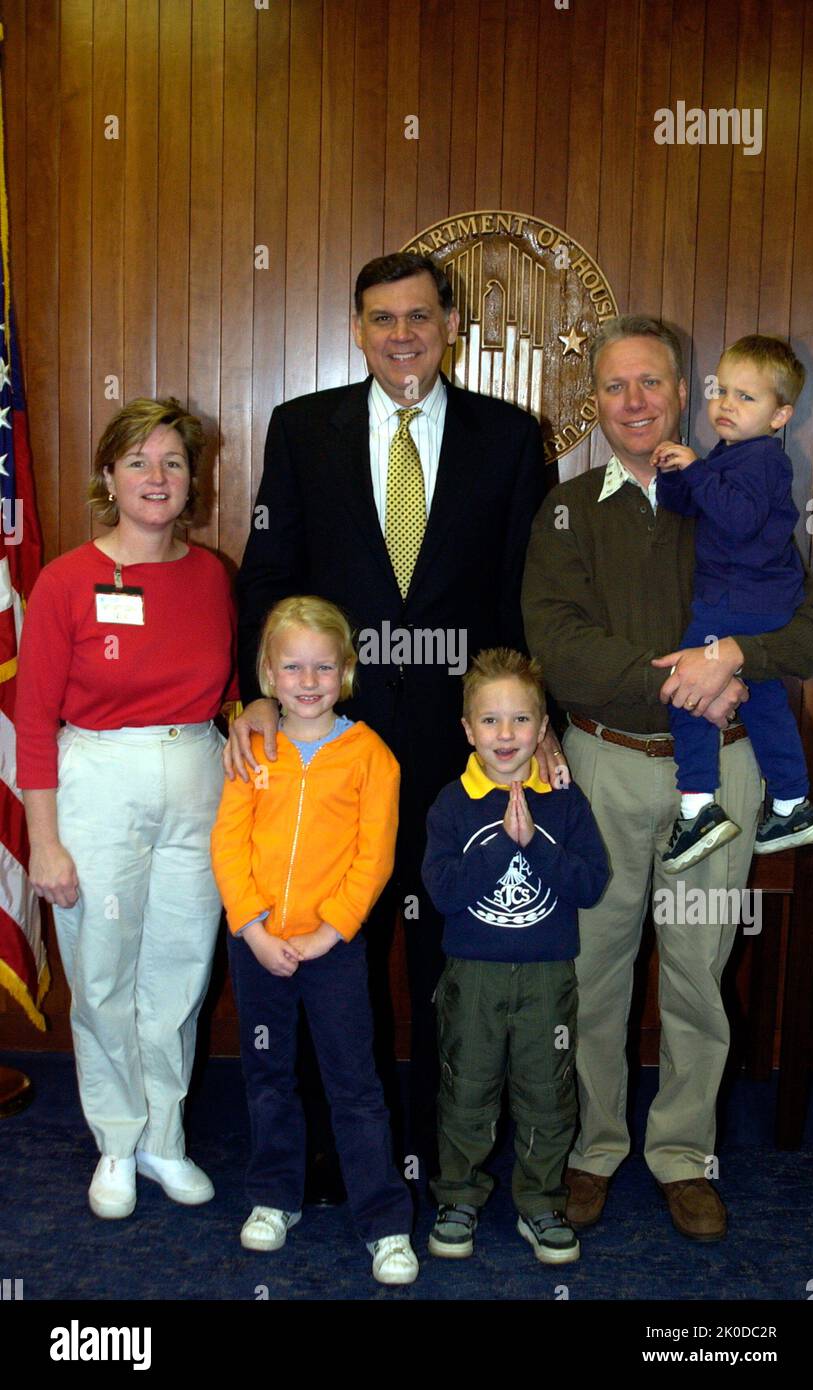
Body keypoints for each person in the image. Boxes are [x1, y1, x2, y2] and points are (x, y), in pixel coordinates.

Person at [228, 252, 552, 1176]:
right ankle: (340, 1149)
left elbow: (522, 601)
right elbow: (269, 576)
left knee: (449, 949)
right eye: (380, 318)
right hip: (335, 743)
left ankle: (447, 1150)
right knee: (342, 947)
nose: (400, 335)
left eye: (417, 316)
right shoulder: (301, 430)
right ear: (356, 328)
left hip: (465, 744)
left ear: (448, 324)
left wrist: (534, 731)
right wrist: (256, 691)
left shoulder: (507, 435)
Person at [522, 316, 813, 1241]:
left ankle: (683, 1155)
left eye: (651, 383)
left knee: (698, 972)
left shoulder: (735, 487)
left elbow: (811, 626)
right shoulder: (567, 508)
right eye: (615, 387)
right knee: (593, 971)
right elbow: (558, 645)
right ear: (596, 403)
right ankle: (593, 1148)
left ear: (684, 390)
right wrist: (683, 679)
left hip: (723, 778)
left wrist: (733, 654)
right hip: (606, 769)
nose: (633, 402)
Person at [16, 397, 236, 1219]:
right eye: (138, 461)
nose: (157, 476)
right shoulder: (68, 579)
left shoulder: (212, 575)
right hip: (96, 781)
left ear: (191, 481)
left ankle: (164, 1139)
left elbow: (235, 691)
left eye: (173, 463)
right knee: (104, 972)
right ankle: (115, 1139)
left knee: (179, 972)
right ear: (108, 476)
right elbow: (33, 719)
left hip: (195, 776)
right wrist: (45, 843)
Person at [210, 596, 417, 1286]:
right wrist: (251, 926)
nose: (306, 681)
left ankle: (385, 1221)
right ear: (267, 672)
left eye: (322, 668)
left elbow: (374, 855)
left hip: (335, 948)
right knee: (269, 1076)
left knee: (353, 1083)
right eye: (292, 667)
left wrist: (333, 928)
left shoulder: (370, 757)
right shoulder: (253, 746)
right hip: (259, 943)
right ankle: (274, 1196)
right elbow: (228, 841)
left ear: (345, 672)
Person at [422, 649, 608, 1266]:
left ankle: (542, 1203)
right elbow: (443, 891)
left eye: (521, 720)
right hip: (472, 976)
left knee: (546, 1093)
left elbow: (590, 884)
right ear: (468, 729)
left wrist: (539, 848)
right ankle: (457, 1196)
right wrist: (502, 844)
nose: (506, 736)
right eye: (491, 721)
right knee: (466, 1088)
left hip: (547, 976)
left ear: (542, 726)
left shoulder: (564, 802)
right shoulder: (452, 803)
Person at [651, 335, 813, 871]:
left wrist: (697, 470)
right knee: (767, 702)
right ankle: (792, 803)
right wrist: (675, 475)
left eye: (746, 397)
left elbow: (738, 518)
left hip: (734, 603)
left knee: (686, 691)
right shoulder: (733, 456)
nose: (726, 403)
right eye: (721, 390)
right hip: (757, 605)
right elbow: (694, 506)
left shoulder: (765, 463)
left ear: (781, 416)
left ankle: (698, 807)